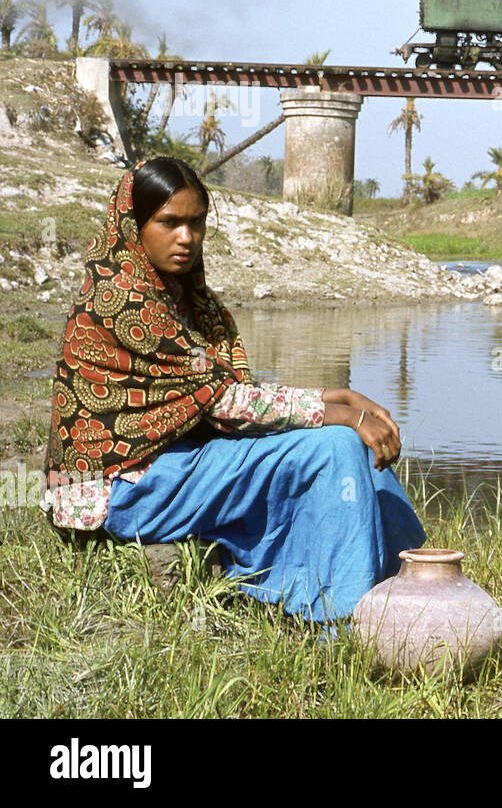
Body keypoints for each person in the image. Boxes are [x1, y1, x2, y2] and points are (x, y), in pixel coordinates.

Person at [43, 156, 426, 622]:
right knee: (336, 445)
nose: (186, 238)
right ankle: (344, 619)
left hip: (176, 460)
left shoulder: (187, 296)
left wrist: (339, 398)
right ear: (133, 225)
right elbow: (224, 402)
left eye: (196, 223)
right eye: (169, 223)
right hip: (121, 485)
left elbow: (219, 390)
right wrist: (341, 413)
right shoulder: (121, 298)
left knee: (358, 444)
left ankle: (406, 581)